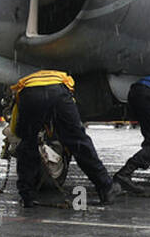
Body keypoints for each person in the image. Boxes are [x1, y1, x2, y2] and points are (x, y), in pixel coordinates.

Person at [8, 70, 121, 207]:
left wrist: (27, 134)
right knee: (79, 142)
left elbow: (18, 129)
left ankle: (27, 196)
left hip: (31, 94)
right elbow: (70, 114)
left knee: (27, 144)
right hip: (58, 92)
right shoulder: (64, 81)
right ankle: (106, 187)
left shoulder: (21, 90)